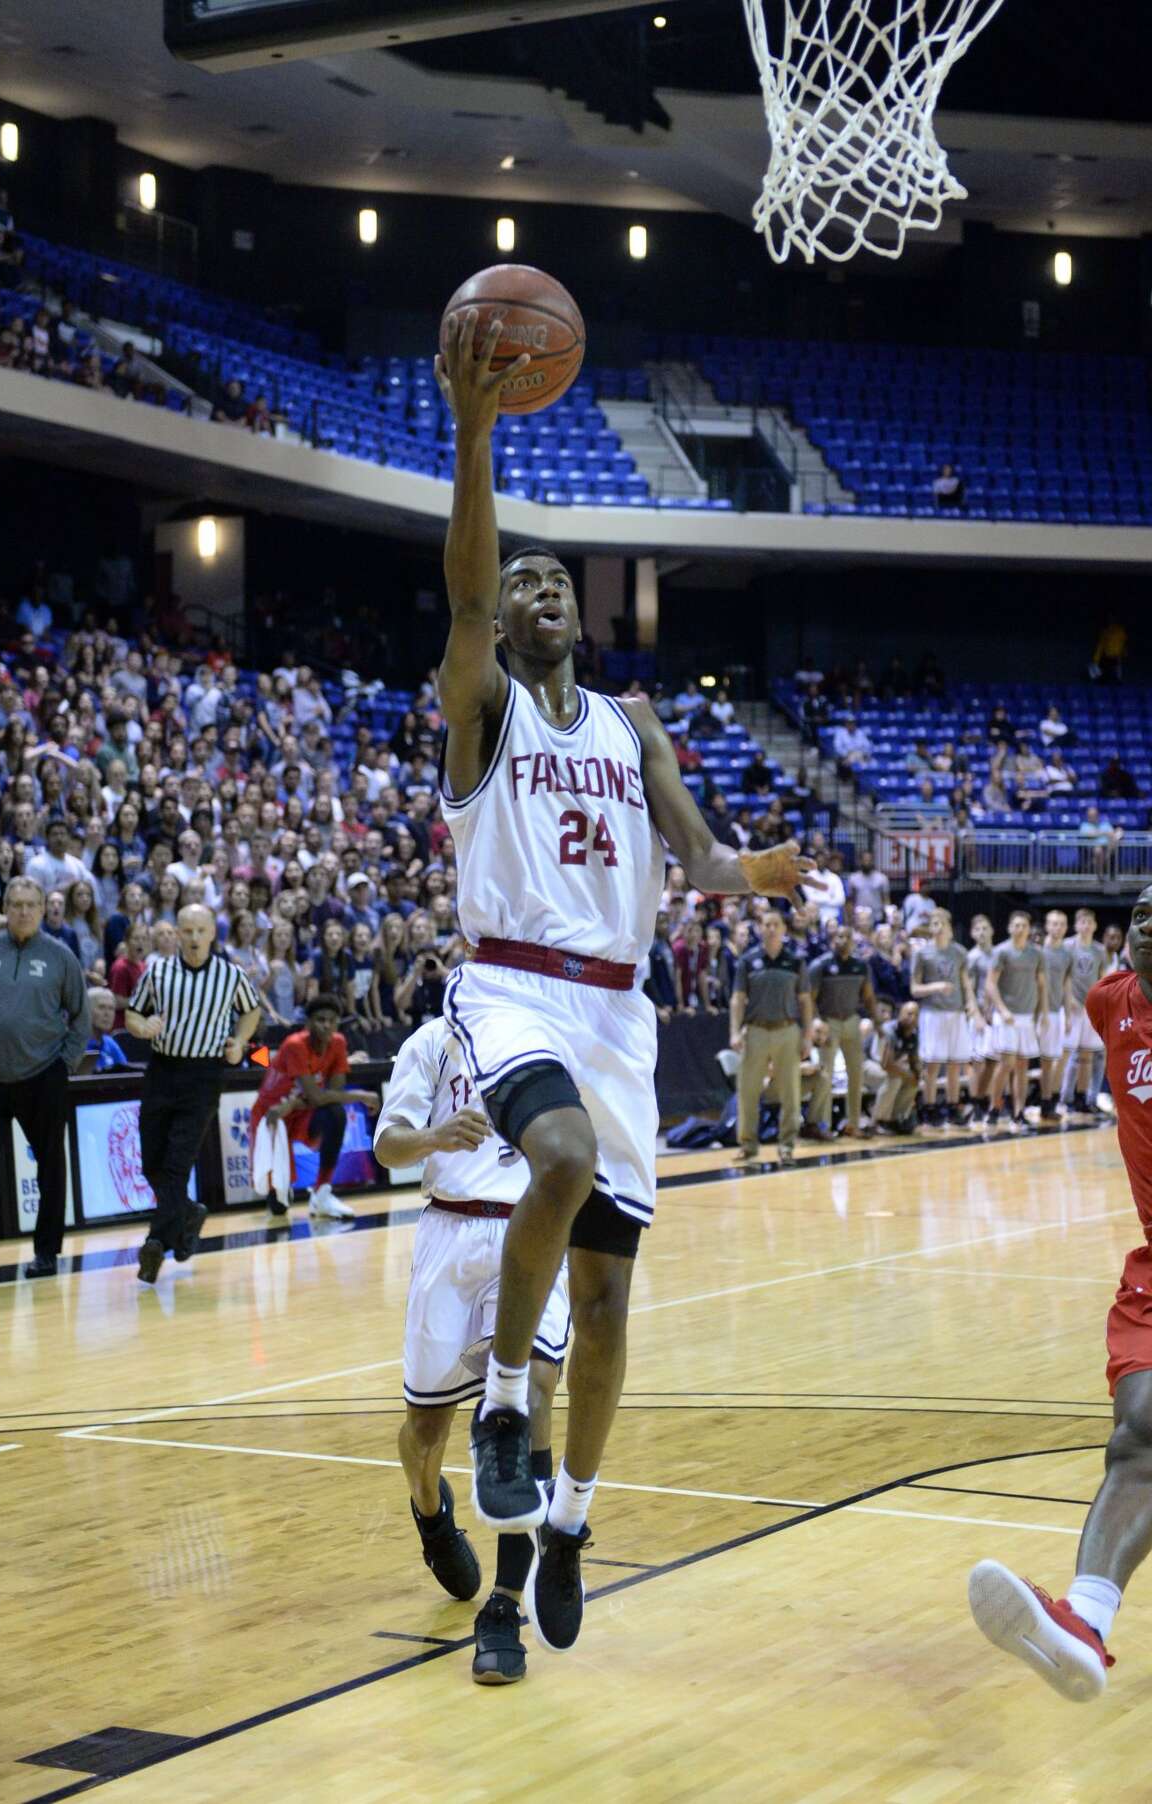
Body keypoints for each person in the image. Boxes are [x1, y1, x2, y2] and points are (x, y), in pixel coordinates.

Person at [431, 311, 814, 1654]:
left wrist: (750, 870)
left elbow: (696, 857)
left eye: (552, 583)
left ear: (580, 615)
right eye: (517, 582)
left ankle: (576, 1518)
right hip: (514, 985)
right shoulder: (483, 705)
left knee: (606, 1304)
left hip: (619, 1008)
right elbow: (466, 596)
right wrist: (478, 434)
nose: (531, 594)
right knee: (557, 1157)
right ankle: (495, 1410)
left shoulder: (632, 721)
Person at [968, 886, 1152, 1699]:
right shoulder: (1109, 1000)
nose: (1145, 919)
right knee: (1138, 1440)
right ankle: (1084, 1622)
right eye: (1140, 910)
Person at [374, 1017, 570, 1685]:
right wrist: (435, 1136)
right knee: (425, 1429)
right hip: (447, 1233)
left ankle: (506, 1606)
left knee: (533, 1394)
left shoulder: (557, 1025)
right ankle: (431, 1514)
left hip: (530, 1223)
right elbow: (388, 1147)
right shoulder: (431, 1041)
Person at [0, 878, 90, 1283]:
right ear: (5, 907)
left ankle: (46, 1253)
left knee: (50, 1166)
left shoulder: (61, 956)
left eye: (31, 904)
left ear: (44, 907)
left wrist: (63, 1065)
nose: (24, 912)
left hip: (42, 1077)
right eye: (16, 905)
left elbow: (80, 1018)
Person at [123, 904, 261, 1284]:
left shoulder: (230, 975)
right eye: (187, 931)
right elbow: (132, 1014)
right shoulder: (159, 971)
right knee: (151, 1163)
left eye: (201, 930)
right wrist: (143, 1025)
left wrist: (241, 1042)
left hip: (204, 1075)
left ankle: (155, 1241)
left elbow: (251, 1011)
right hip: (162, 1070)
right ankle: (187, 1215)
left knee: (175, 1165)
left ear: (212, 934)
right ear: (177, 935)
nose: (195, 938)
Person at [248, 993, 377, 1223]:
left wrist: (297, 1103)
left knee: (336, 1113)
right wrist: (361, 1096)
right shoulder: (294, 1045)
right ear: (308, 1023)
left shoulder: (338, 1043)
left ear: (337, 1022)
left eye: (331, 1020)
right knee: (278, 1205)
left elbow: (330, 1096)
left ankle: (322, 1192)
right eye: (320, 1019)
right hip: (272, 1115)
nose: (326, 1025)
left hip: (299, 1110)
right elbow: (318, 1096)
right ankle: (281, 1189)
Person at [728, 909, 812, 1167]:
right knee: (748, 1091)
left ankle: (786, 1146)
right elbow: (738, 999)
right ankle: (748, 1145)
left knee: (790, 1093)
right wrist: (734, 1031)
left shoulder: (795, 961)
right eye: (767, 924)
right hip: (756, 1031)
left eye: (776, 924)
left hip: (788, 1030)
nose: (772, 928)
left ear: (784, 930)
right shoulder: (748, 961)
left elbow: (805, 1001)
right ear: (760, 929)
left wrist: (807, 1035)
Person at [910, 908, 982, 1134]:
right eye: (933, 923)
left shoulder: (960, 953)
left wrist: (972, 1006)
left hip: (956, 1013)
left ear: (950, 928)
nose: (938, 927)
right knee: (932, 1065)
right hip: (932, 1014)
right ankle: (929, 1110)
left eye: (942, 923)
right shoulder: (922, 954)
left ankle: (952, 1108)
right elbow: (914, 989)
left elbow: (966, 984)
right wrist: (936, 987)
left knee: (955, 1064)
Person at [807, 925, 875, 1140]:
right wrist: (816, 1021)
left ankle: (853, 1125)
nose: (842, 940)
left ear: (853, 941)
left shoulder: (860, 966)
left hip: (851, 1021)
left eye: (846, 937)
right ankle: (822, 1124)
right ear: (831, 940)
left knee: (856, 1074)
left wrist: (877, 1022)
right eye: (838, 937)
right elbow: (809, 998)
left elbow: (869, 997)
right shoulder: (821, 965)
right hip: (829, 1022)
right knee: (825, 1075)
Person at [985, 910, 1046, 1134]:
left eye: (1024, 925)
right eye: (1016, 925)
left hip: (1027, 1016)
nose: (1020, 929)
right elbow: (990, 985)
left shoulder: (1036, 954)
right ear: (1010, 928)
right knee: (1006, 1063)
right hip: (1006, 1016)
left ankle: (1019, 1113)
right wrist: (1001, 1010)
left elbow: (1041, 985)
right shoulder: (1001, 952)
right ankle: (993, 1108)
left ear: (1029, 929)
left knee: (1022, 1065)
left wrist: (1043, 1013)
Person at [1061, 907, 1109, 1118]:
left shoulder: (1099, 950)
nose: (1086, 926)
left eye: (1090, 922)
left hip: (1090, 1007)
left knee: (1088, 1055)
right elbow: (1062, 976)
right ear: (1076, 925)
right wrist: (1068, 998)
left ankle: (1083, 1097)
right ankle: (1064, 1098)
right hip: (1071, 1007)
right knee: (1070, 1055)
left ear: (1095, 925)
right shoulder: (1068, 946)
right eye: (1082, 922)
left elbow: (1102, 978)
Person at [1037, 909, 1073, 1126]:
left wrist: (1068, 1014)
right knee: (1042, 1061)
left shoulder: (1067, 955)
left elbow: (1067, 986)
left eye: (1061, 924)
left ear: (1066, 927)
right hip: (1037, 1012)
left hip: (1056, 1012)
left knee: (1054, 1060)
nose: (1057, 927)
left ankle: (1048, 1103)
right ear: (1047, 926)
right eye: (1053, 923)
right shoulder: (1038, 951)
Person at [865, 999, 920, 1133]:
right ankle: (877, 1121)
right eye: (909, 1014)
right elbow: (886, 1064)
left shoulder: (913, 1035)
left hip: (885, 1068)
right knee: (895, 1078)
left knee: (913, 1082)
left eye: (916, 1015)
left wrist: (917, 1074)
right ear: (900, 1014)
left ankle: (896, 1120)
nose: (912, 1018)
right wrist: (907, 1074)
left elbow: (914, 1062)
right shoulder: (889, 1031)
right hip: (866, 1065)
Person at [966, 914, 997, 1128]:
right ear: (972, 933)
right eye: (977, 929)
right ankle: (975, 1103)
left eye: (985, 928)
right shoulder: (972, 957)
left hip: (996, 1015)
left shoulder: (999, 954)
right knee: (978, 1063)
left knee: (994, 1062)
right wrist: (975, 1014)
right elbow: (968, 989)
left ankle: (985, 1099)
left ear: (992, 931)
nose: (982, 933)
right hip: (978, 1015)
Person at [85, 989, 130, 1071]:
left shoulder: (110, 1043)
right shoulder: (72, 1046)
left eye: (111, 1008)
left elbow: (127, 1077)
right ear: (86, 1011)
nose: (107, 1014)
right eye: (101, 1007)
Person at [846, 848, 890, 925]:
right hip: (860, 918)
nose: (867, 862)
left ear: (873, 861)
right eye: (865, 860)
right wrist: (850, 917)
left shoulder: (882, 878)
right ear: (860, 861)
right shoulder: (853, 878)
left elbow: (886, 899)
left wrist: (887, 915)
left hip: (877, 916)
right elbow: (850, 900)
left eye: (869, 860)